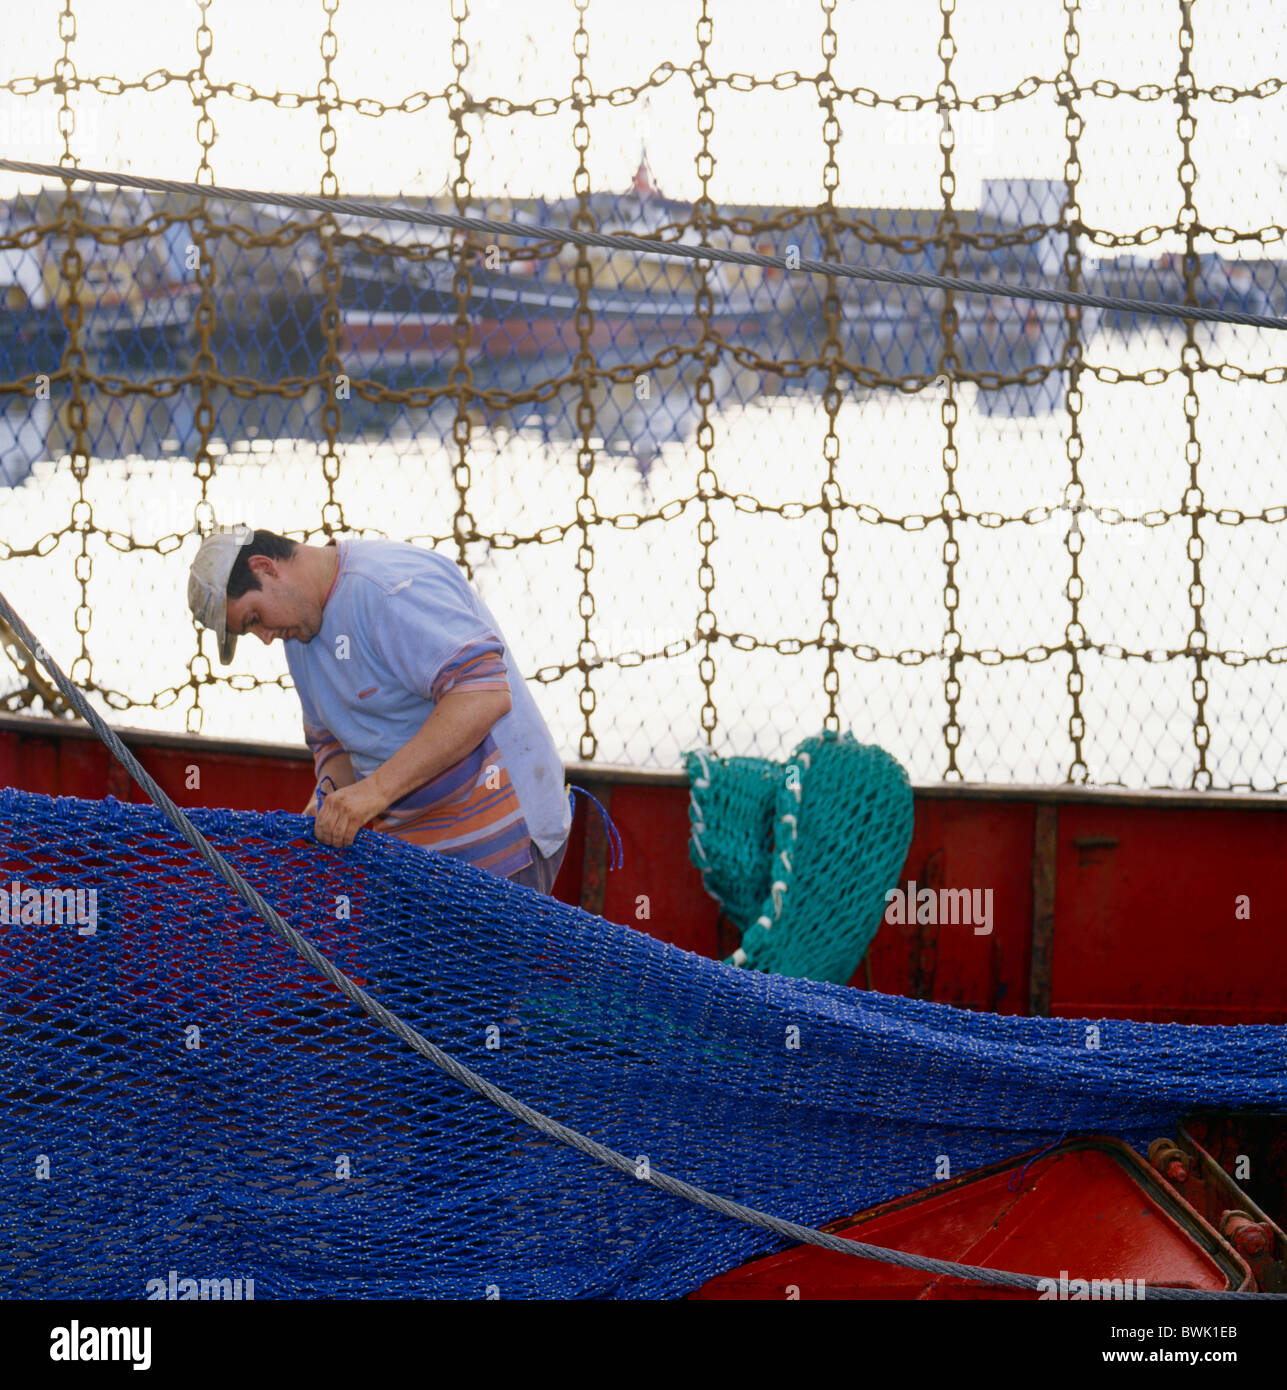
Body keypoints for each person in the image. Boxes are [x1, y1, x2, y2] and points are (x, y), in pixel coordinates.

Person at [187, 524, 571, 895]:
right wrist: (329, 799)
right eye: (250, 631)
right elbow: (332, 743)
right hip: (410, 857)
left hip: (501, 847)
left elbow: (483, 693)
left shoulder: (390, 587)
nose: (266, 638)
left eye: (254, 619)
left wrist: (374, 793)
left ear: (265, 567)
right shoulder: (298, 632)